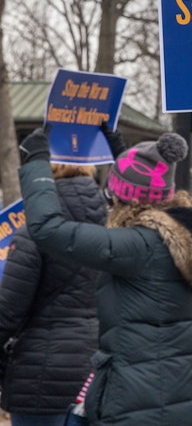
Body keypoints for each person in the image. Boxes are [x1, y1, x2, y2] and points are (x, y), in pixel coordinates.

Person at [17, 127, 192, 426]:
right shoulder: (177, 237)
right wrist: (118, 150)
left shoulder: (140, 248)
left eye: (110, 197)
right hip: (180, 395)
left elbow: (49, 230)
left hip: (140, 404)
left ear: (123, 201)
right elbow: (138, 188)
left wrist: (36, 163)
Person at [0, 162, 108, 426]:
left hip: (39, 380)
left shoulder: (33, 232)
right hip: (99, 373)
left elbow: (7, 314)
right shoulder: (115, 228)